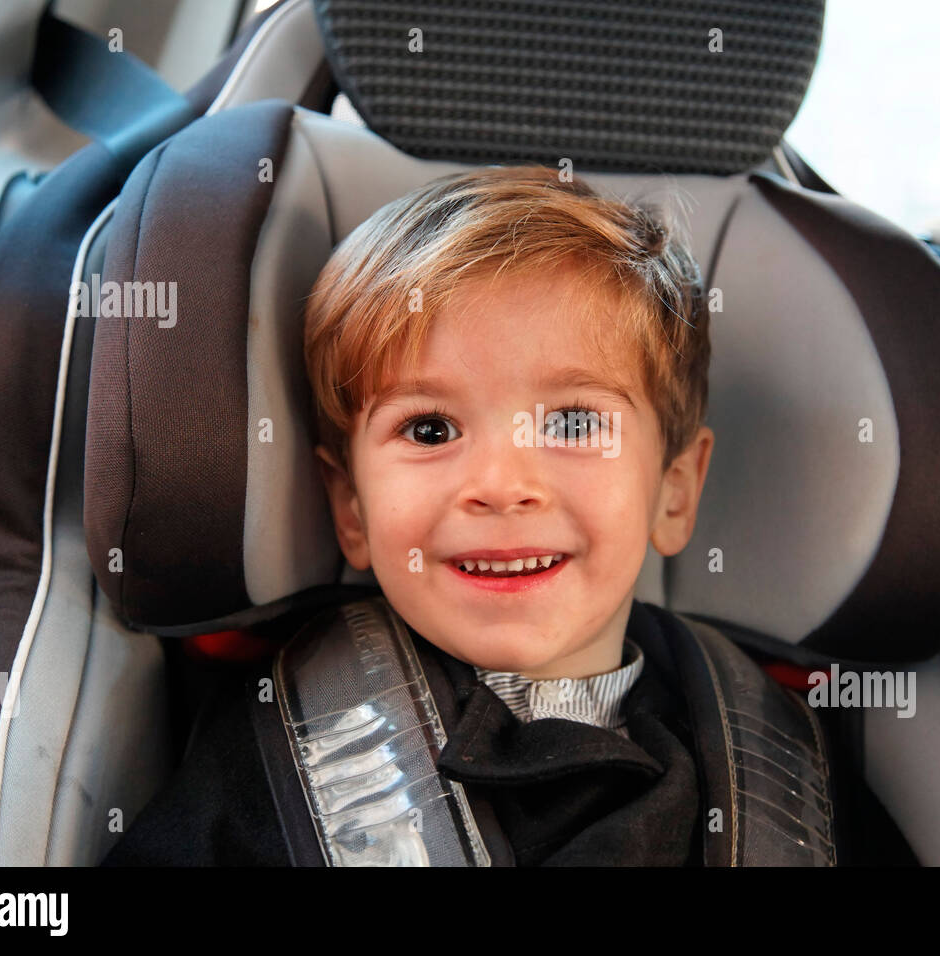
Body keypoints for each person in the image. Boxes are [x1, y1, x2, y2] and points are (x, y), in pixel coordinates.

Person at [104, 164, 728, 865]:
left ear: (674, 491)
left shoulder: (774, 761)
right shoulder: (287, 751)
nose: (500, 485)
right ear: (351, 508)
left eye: (575, 424)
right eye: (431, 430)